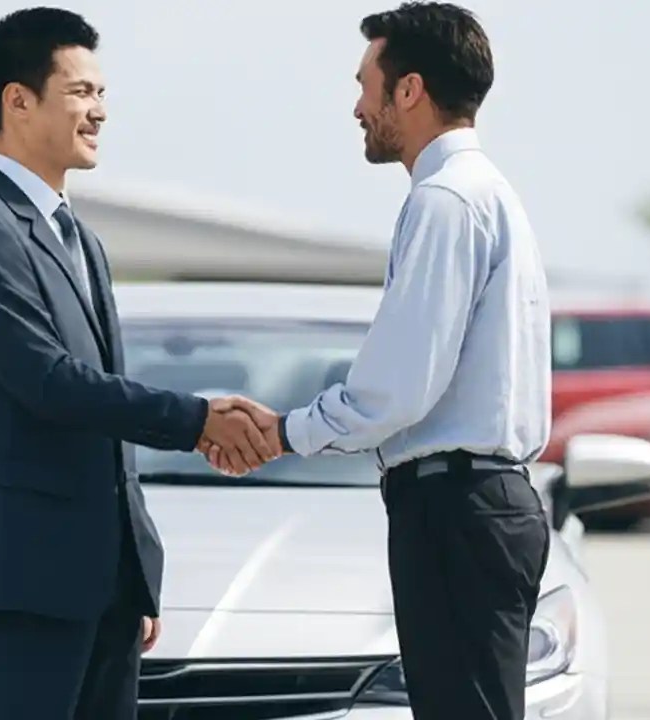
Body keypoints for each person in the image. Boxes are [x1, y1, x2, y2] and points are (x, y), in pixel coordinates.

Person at [0, 8, 277, 718]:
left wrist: (134, 566)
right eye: (81, 92)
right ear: (17, 101)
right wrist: (197, 418)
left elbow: (102, 412)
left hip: (106, 588)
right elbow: (49, 383)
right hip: (24, 582)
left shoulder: (79, 237)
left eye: (102, 94)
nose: (100, 112)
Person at [209, 3, 552, 718]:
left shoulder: (445, 202)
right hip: (476, 506)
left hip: (455, 509)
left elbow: (396, 390)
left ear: (409, 90)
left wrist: (283, 434)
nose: (357, 106)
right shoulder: (487, 194)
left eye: (367, 84)